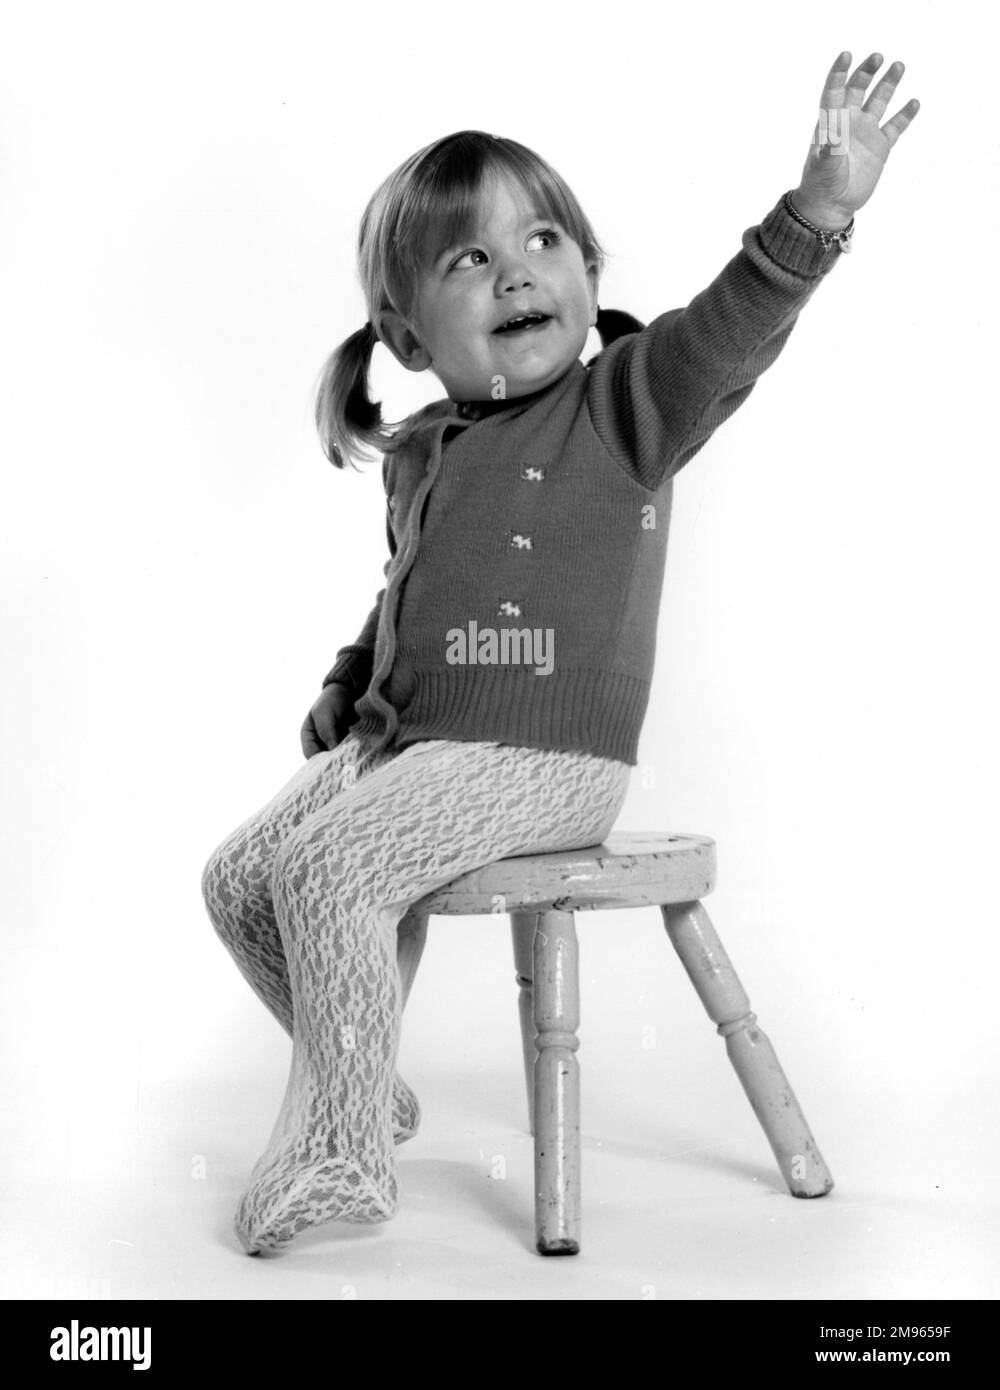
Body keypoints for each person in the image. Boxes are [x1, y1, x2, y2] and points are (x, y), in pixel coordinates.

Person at [201, 51, 919, 1256]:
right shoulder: (425, 451)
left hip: (545, 755)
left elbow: (734, 328)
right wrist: (343, 688)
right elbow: (401, 598)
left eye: (542, 242)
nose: (515, 272)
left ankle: (342, 1153)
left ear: (589, 274)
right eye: (468, 258)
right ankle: (360, 1079)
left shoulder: (625, 407)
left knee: (332, 875)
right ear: (407, 332)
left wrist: (818, 212)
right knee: (239, 881)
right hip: (415, 740)